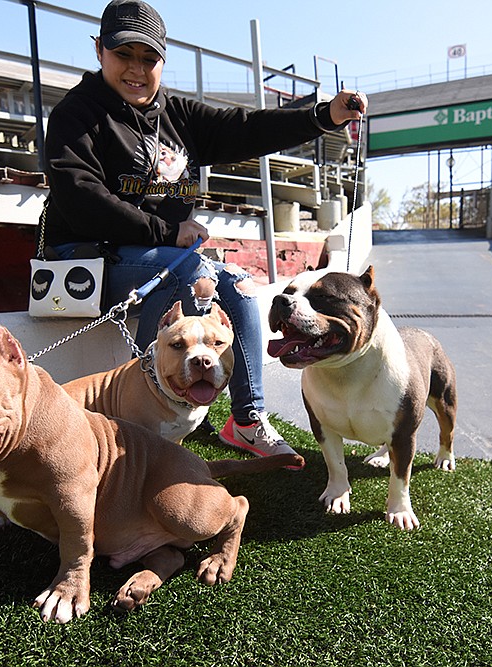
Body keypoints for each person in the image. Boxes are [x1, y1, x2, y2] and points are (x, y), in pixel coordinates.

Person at [42, 0, 367, 460]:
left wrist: (323, 115)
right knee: (186, 274)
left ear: (163, 60)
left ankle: (246, 420)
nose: (136, 69)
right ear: (99, 52)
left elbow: (249, 128)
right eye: (124, 55)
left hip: (165, 256)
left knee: (236, 285)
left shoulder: (178, 116)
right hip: (90, 257)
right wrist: (164, 231)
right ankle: (159, 418)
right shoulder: (76, 114)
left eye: (148, 58)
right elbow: (78, 195)